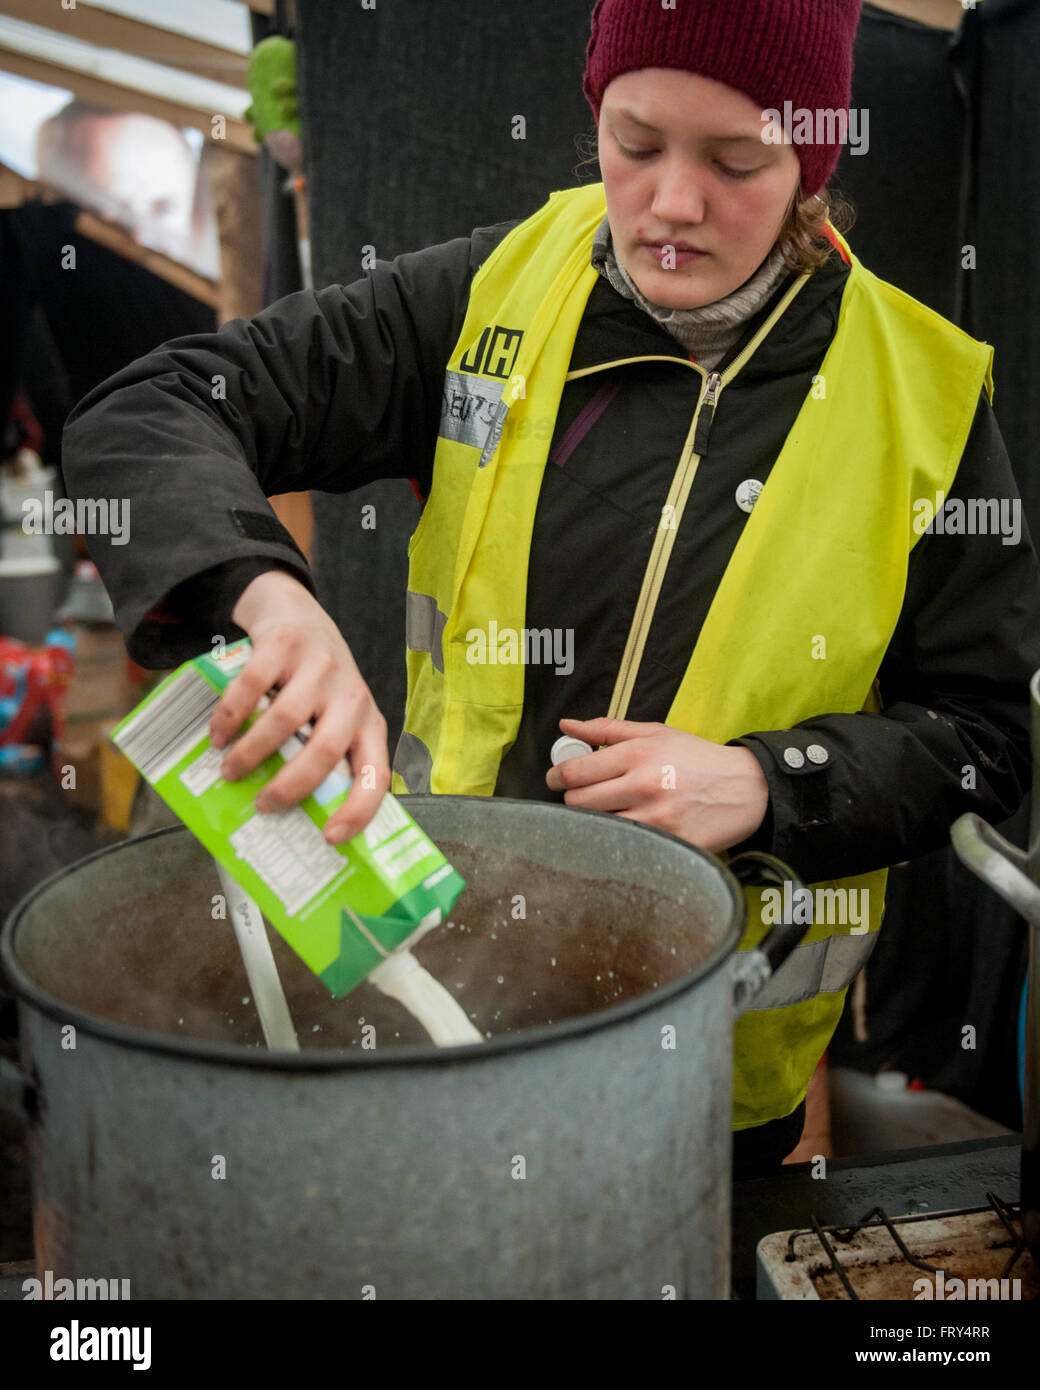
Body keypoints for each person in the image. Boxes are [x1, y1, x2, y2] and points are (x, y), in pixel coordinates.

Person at [61, 0, 1040, 1176]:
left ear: (811, 163)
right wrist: (265, 593)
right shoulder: (490, 296)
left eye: (735, 161)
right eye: (634, 144)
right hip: (443, 1014)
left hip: (714, 1080)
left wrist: (770, 781)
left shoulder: (920, 399)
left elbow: (982, 735)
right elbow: (150, 408)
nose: (671, 205)